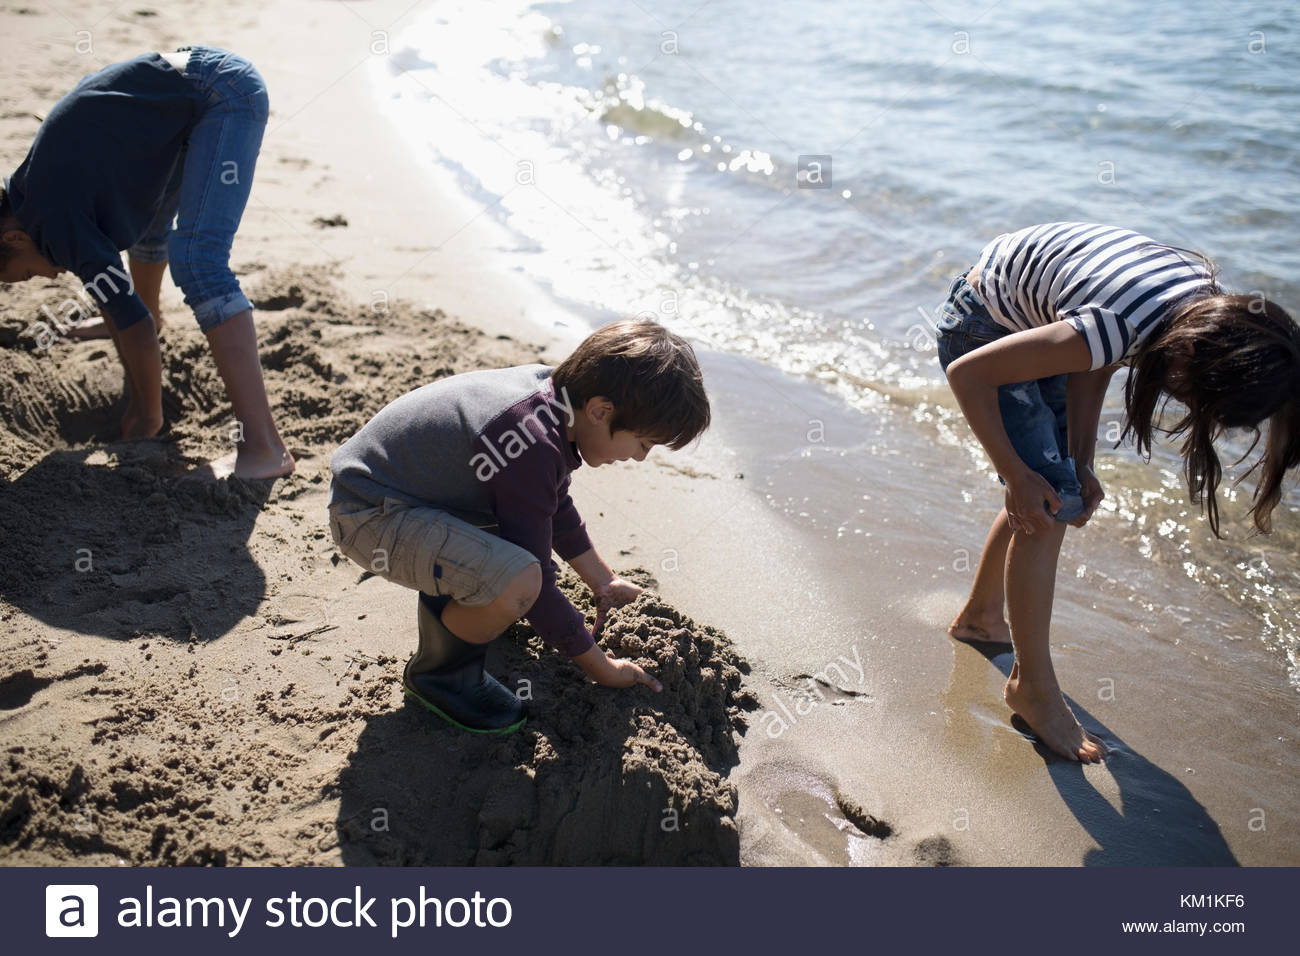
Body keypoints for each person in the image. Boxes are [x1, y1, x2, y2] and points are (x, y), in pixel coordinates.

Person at [936, 221, 1300, 762]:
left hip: (1037, 315)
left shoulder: (1198, 311)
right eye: (1190, 395)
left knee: (1055, 487)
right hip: (982, 327)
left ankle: (981, 619)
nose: (1183, 404)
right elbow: (970, 374)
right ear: (1191, 353)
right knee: (1045, 497)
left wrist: (1082, 460)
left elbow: (1096, 361)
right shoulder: (1117, 324)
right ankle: (1031, 687)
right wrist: (1014, 473)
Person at [328, 319, 711, 733]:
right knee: (520, 580)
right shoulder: (530, 441)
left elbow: (553, 503)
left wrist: (603, 581)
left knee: (517, 558)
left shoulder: (552, 399)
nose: (639, 458)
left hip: (406, 499)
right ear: (601, 411)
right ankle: (440, 673)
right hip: (369, 516)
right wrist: (601, 667)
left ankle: (466, 609)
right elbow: (538, 587)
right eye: (643, 444)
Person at [0, 47, 293, 479]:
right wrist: (129, 320)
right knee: (148, 236)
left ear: (13, 237)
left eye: (26, 272)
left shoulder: (51, 217)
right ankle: (158, 315)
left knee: (198, 261)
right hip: (185, 100)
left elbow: (129, 322)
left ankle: (264, 449)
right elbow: (113, 292)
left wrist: (145, 417)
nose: (48, 275)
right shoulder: (30, 196)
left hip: (221, 93)